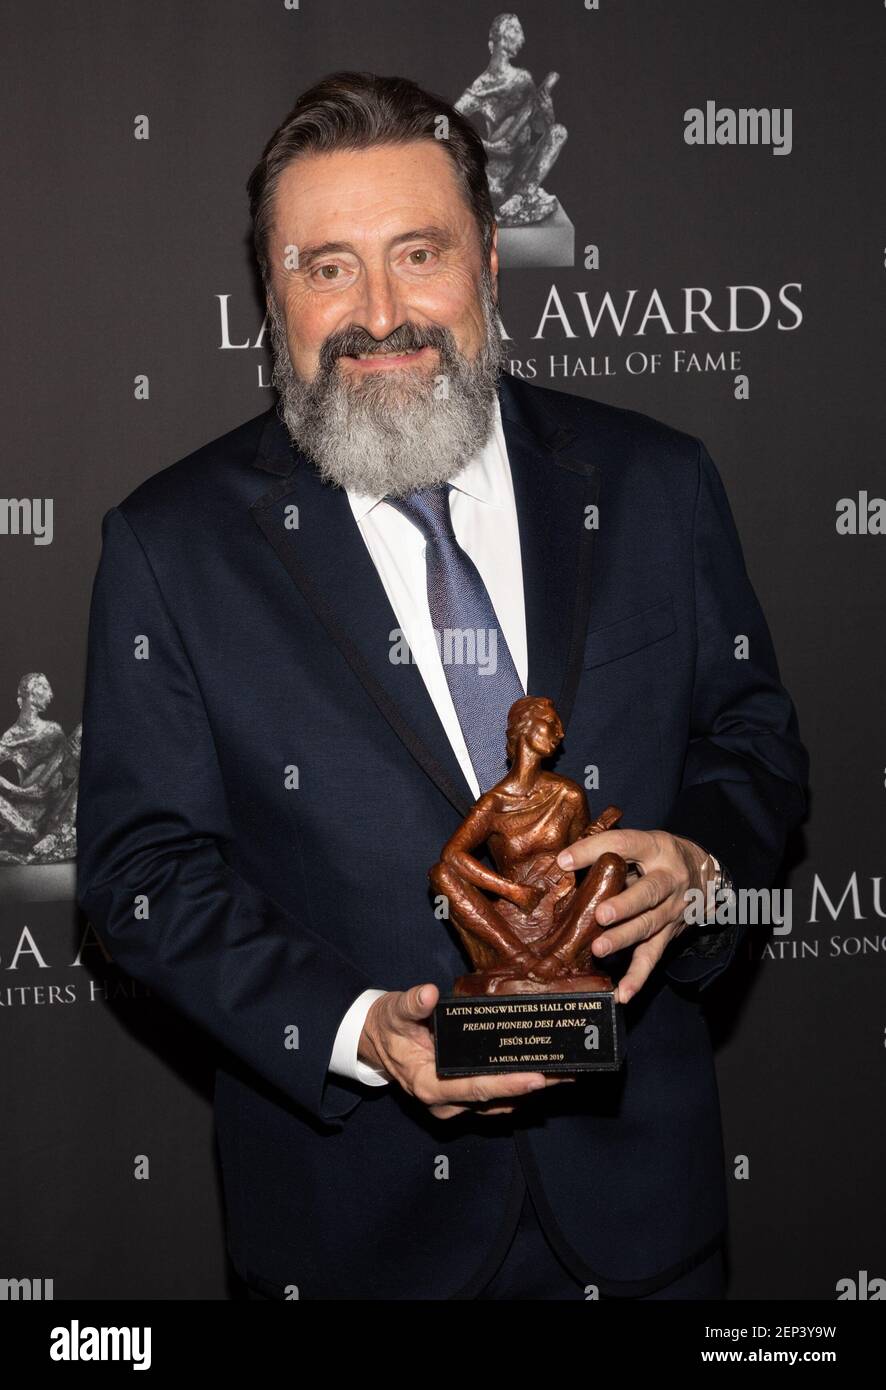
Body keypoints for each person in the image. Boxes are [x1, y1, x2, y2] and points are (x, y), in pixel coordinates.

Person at [75, 71, 809, 1301]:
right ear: (272, 299)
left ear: (490, 267)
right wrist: (361, 1027)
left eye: (418, 253)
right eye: (326, 268)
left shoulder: (651, 484)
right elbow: (142, 875)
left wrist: (700, 861)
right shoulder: (174, 544)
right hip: (346, 1237)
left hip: (646, 1222)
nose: (379, 313)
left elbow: (754, 740)